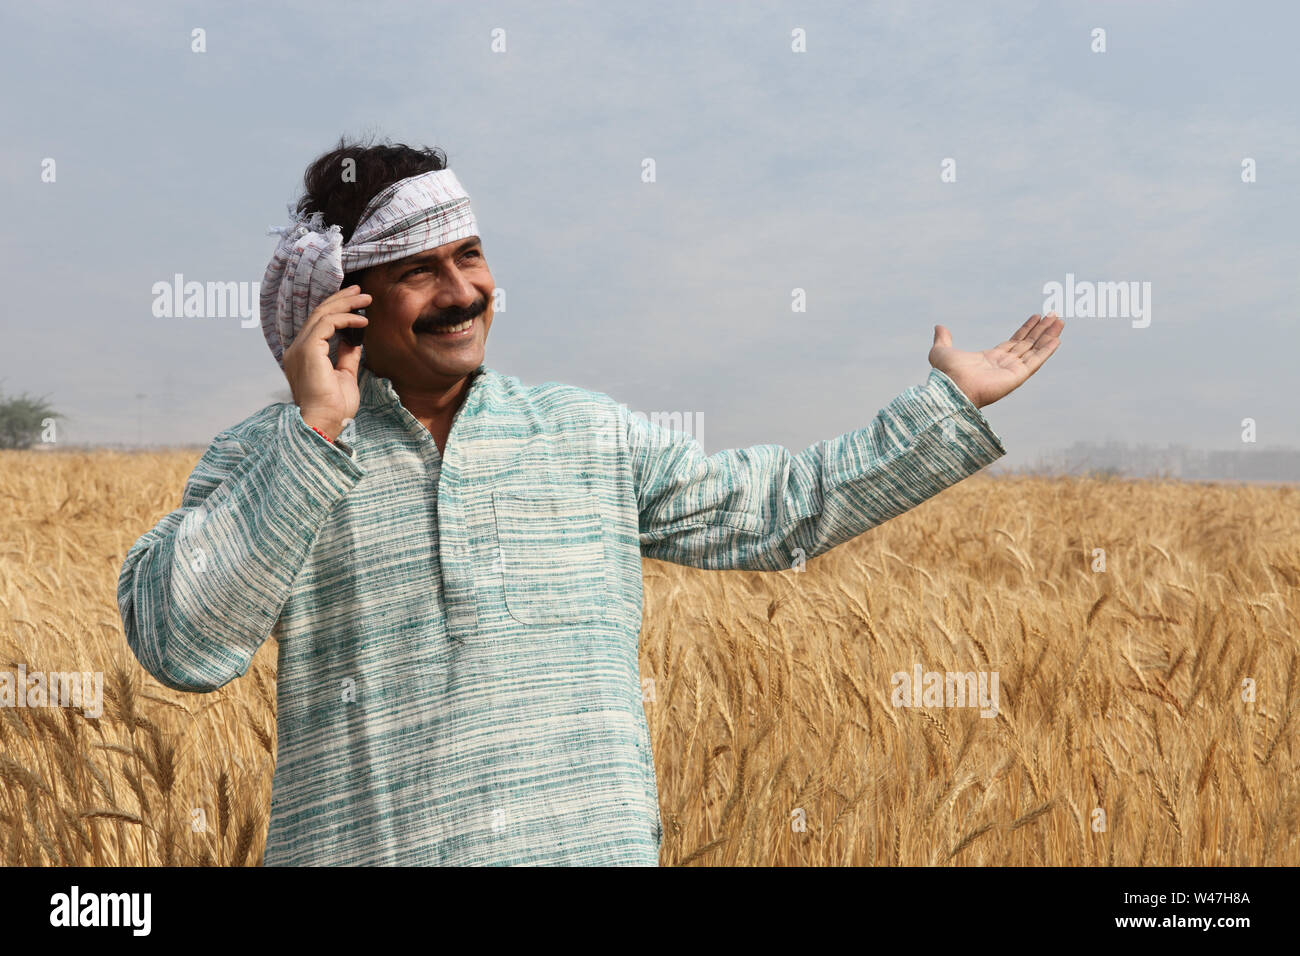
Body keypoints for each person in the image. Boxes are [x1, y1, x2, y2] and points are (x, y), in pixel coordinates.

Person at [117, 136, 1064, 866]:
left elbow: (783, 509)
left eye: (471, 255)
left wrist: (946, 407)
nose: (463, 291)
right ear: (346, 300)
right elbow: (184, 645)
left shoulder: (586, 436)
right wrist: (313, 433)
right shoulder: (271, 454)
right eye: (419, 270)